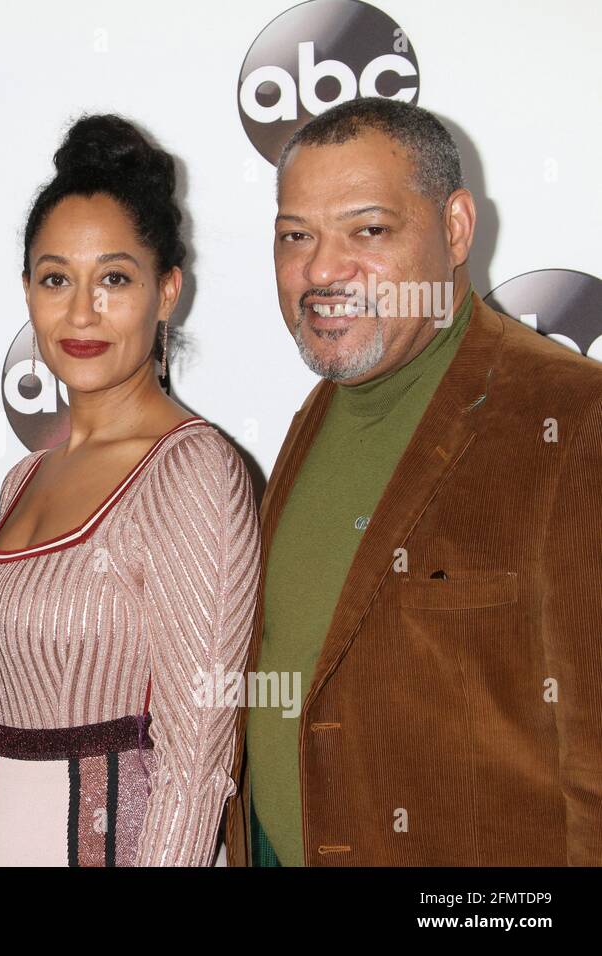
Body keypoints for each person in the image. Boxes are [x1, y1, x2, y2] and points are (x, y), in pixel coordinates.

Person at [231, 97, 602, 866]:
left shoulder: (573, 420)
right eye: (296, 236)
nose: (322, 270)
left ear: (456, 227)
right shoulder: (318, 413)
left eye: (368, 230)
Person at [0, 115, 261, 866]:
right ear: (27, 291)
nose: (81, 312)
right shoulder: (25, 476)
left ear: (168, 291)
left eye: (114, 278)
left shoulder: (193, 471)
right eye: (56, 278)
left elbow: (198, 760)